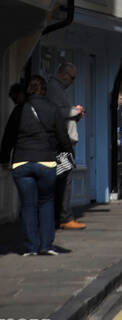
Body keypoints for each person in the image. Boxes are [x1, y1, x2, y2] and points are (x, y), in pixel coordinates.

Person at [0, 75, 70, 256]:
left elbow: (8, 138)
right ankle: (46, 245)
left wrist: (4, 160)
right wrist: (68, 155)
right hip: (46, 161)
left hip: (21, 162)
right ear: (44, 90)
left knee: (28, 205)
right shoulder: (53, 109)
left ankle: (31, 247)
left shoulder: (19, 110)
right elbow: (63, 138)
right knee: (46, 202)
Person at [46, 62, 85, 231]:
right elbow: (57, 113)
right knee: (64, 179)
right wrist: (75, 111)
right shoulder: (54, 88)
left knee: (63, 178)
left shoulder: (58, 88)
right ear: (63, 74)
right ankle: (64, 217)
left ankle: (62, 217)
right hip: (63, 143)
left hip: (63, 142)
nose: (73, 81)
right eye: (72, 77)